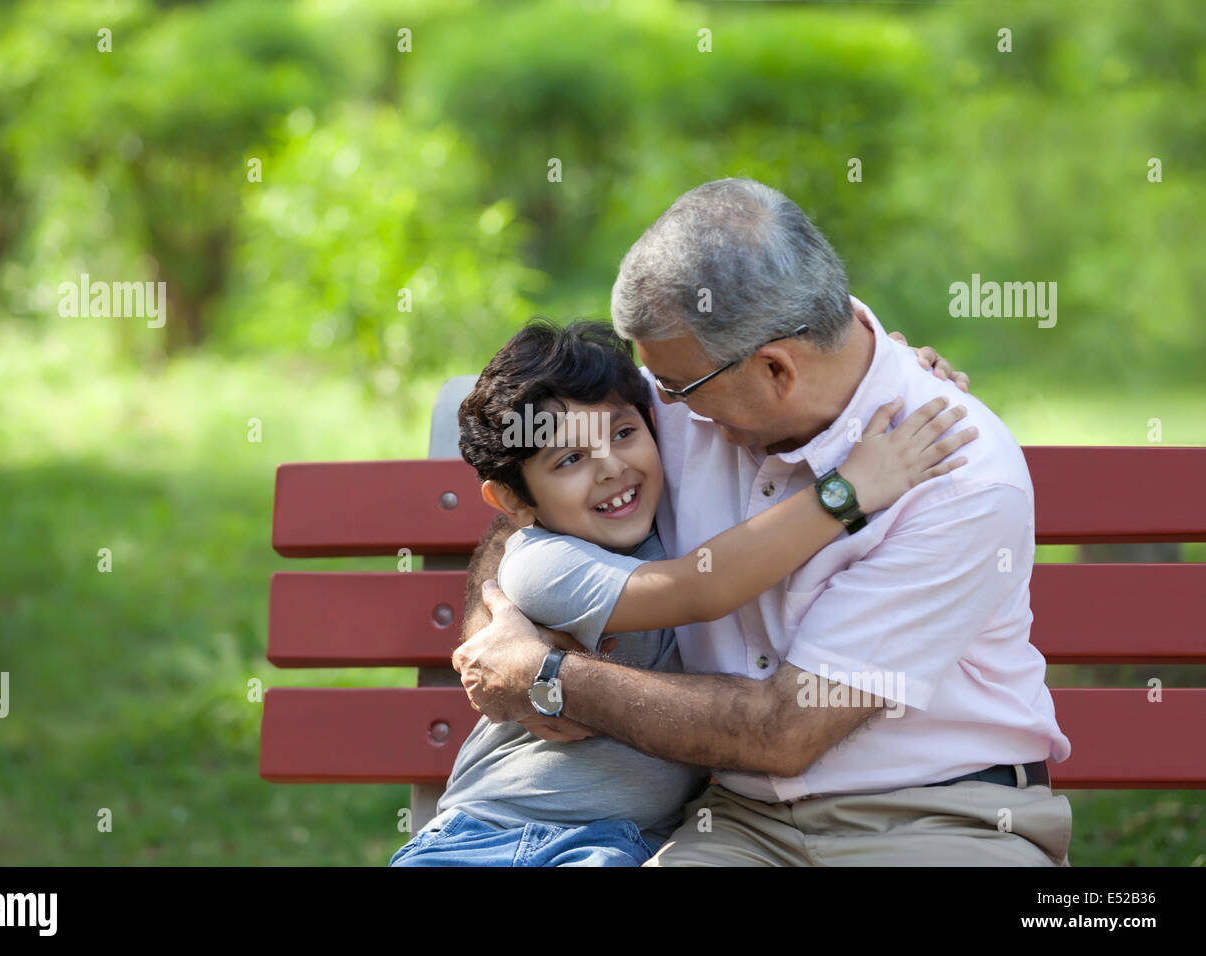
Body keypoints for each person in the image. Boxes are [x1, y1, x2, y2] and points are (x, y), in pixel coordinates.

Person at [453, 178, 1073, 866]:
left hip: (941, 819)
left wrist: (547, 675)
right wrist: (497, 625)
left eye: (676, 389)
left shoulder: (954, 472)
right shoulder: (686, 396)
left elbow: (783, 731)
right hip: (739, 826)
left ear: (777, 369)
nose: (659, 404)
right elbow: (534, 512)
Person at [391, 318, 975, 866]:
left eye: (624, 433)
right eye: (569, 459)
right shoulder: (543, 565)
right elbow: (706, 586)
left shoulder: (650, 518)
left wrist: (878, 377)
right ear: (515, 502)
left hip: (626, 844)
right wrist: (847, 493)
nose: (611, 467)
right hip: (502, 835)